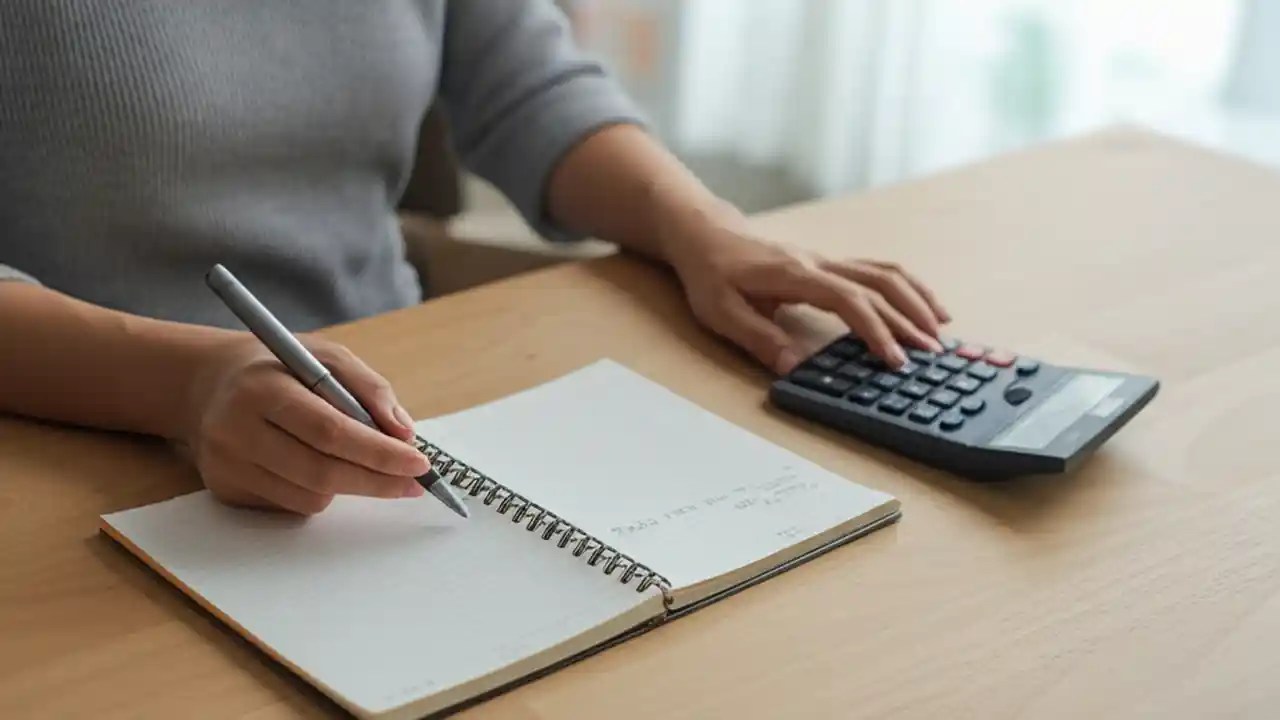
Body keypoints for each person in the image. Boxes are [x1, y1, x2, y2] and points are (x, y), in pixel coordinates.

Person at [0, 1, 950, 515]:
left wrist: (702, 226)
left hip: (397, 395)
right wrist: (186, 384)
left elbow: (526, 84)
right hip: (78, 456)